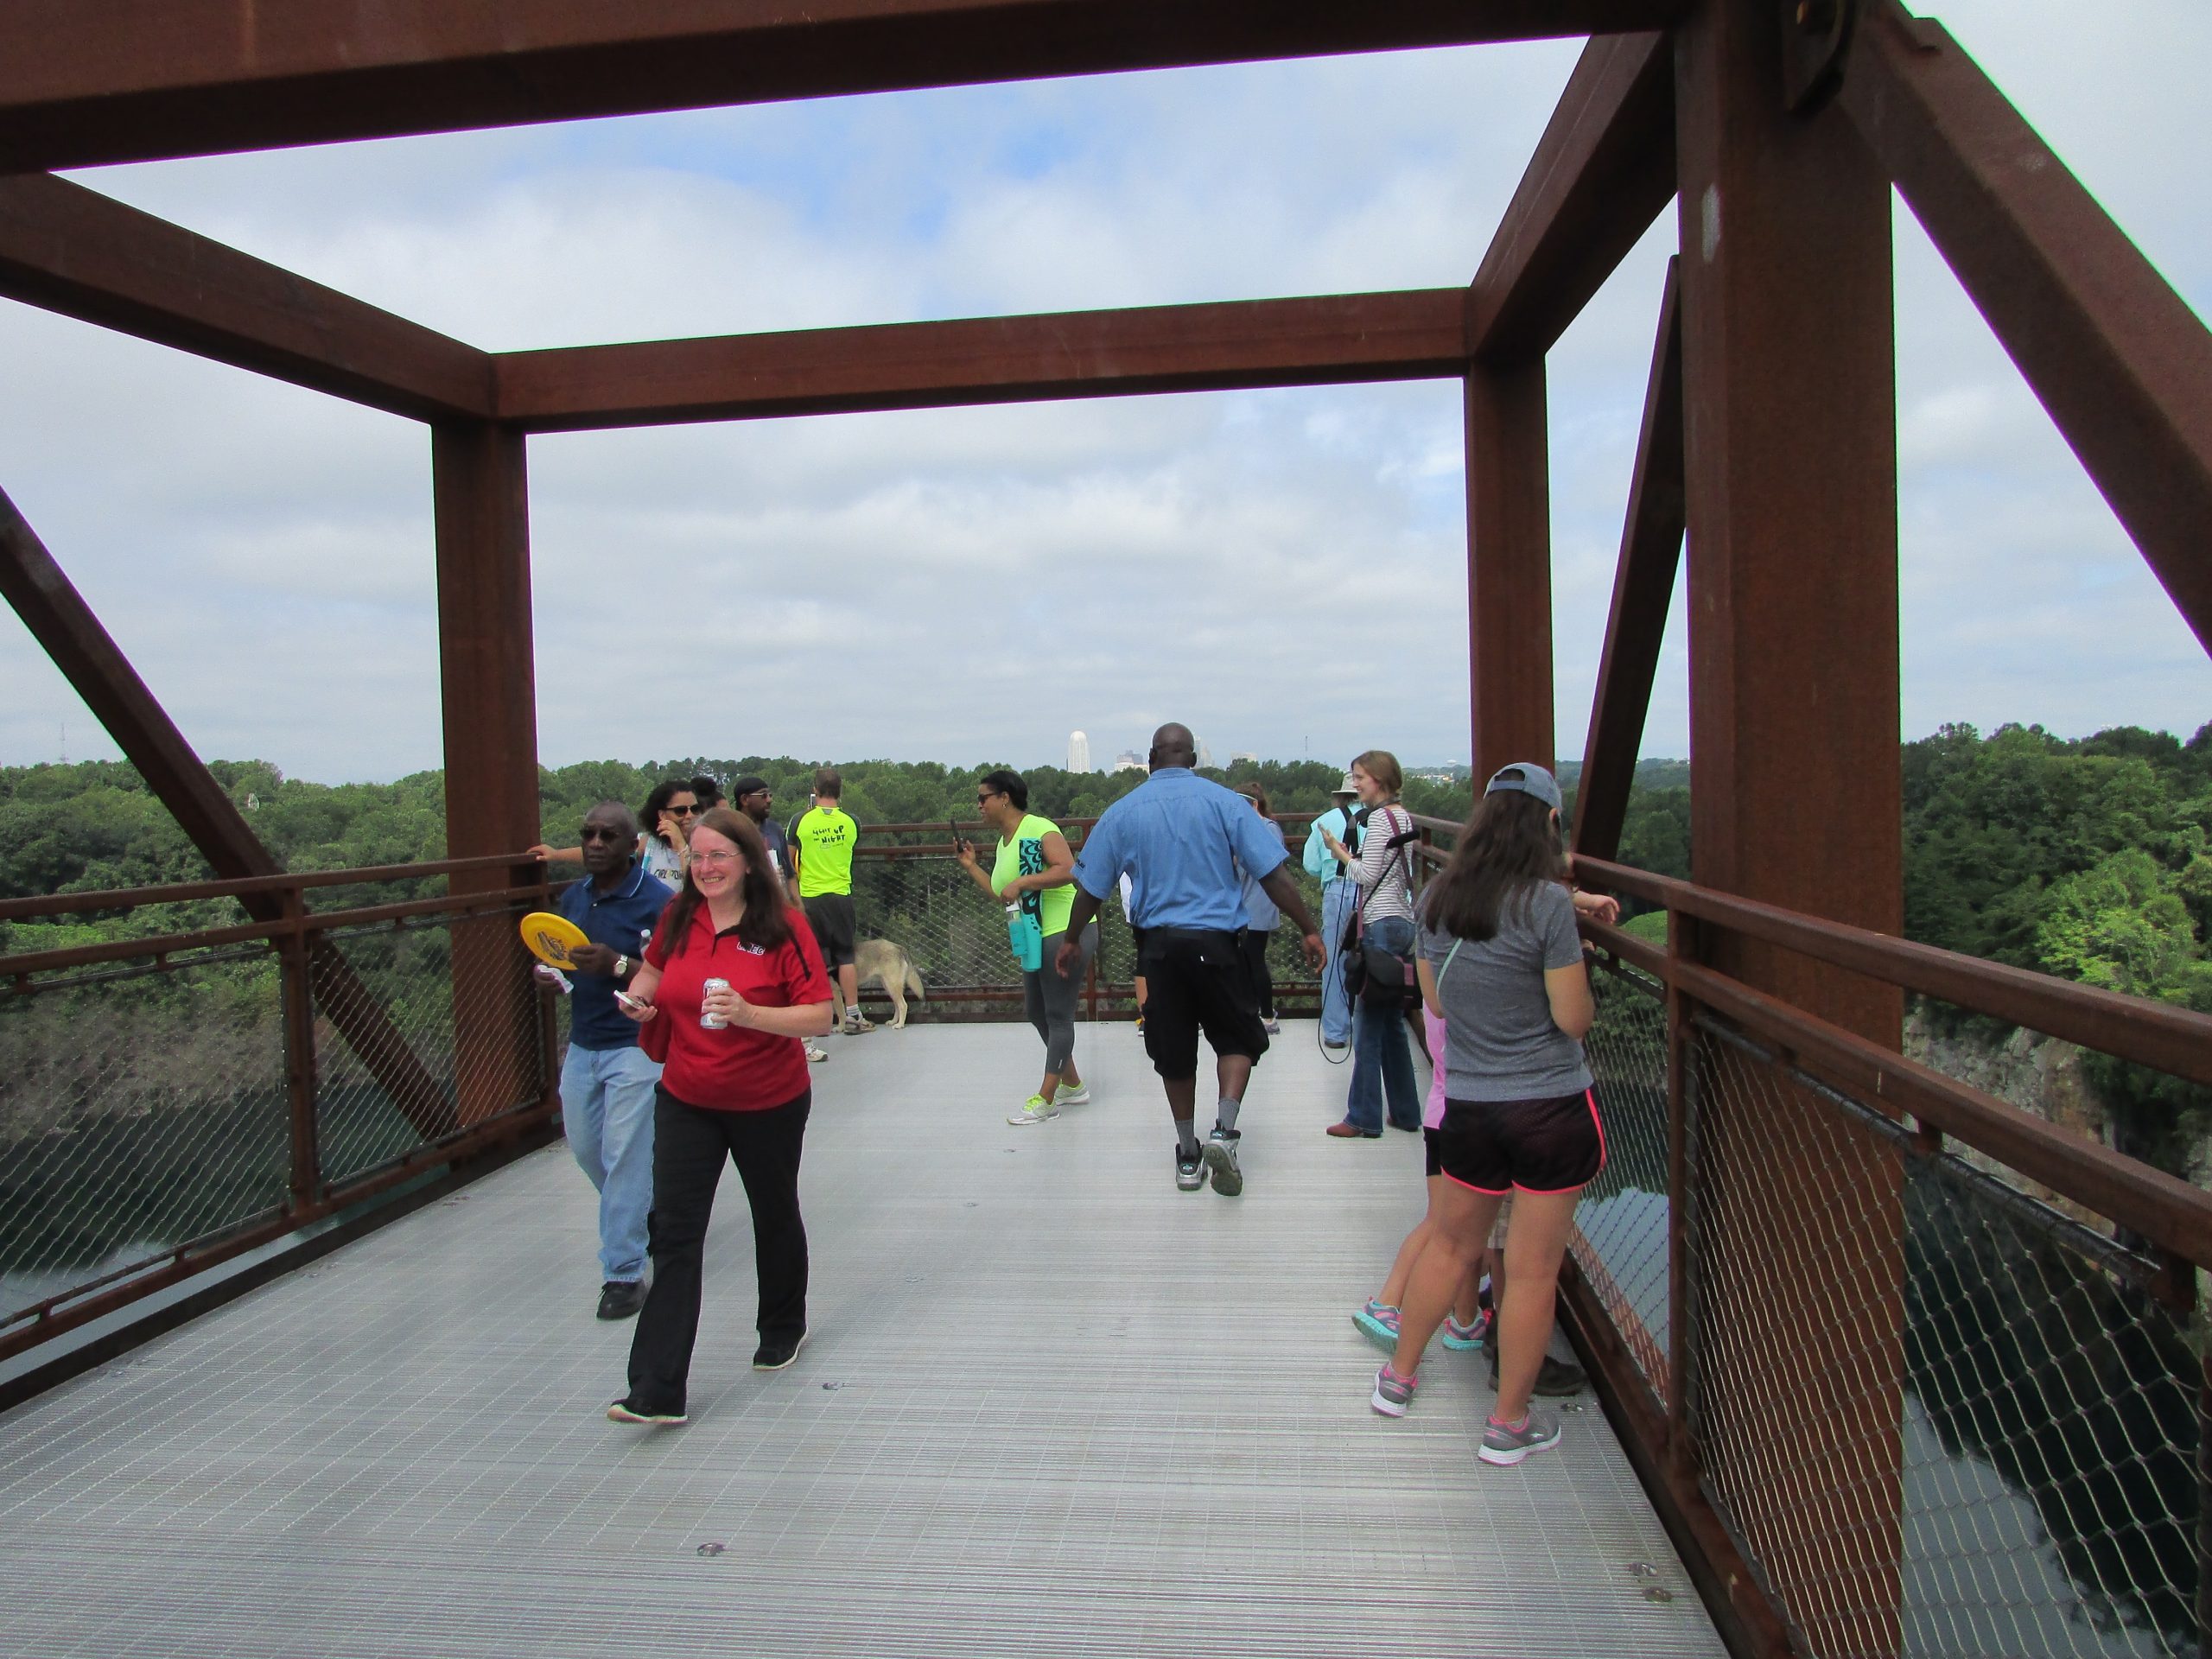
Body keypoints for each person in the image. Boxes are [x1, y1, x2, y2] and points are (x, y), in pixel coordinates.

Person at [1369, 761, 1614, 1468]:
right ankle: (1508, 1424)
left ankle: (1397, 1380)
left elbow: (1437, 1004)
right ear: (1547, 824)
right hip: (1548, 1109)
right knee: (1532, 1273)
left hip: (1471, 1107)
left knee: (1451, 1247)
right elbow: (1572, 1019)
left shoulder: (1438, 900)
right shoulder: (1545, 905)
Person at [607, 807, 836, 1426]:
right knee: (675, 1234)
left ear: (748, 862)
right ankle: (655, 1391)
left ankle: (782, 1325)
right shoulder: (679, 916)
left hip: (768, 1100)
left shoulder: (784, 926)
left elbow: (820, 1015)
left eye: (719, 856)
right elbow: (654, 970)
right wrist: (641, 1000)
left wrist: (749, 1014)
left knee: (773, 1211)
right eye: (698, 857)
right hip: (687, 1096)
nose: (705, 868)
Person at [1057, 723, 1324, 1196]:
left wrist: (1072, 939)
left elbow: (1091, 888)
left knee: (1173, 1050)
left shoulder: (1122, 812)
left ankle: (1187, 1153)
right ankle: (1224, 1130)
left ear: (1151, 759)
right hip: (1219, 945)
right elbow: (1273, 875)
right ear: (1194, 760)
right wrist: (1308, 928)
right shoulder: (1226, 804)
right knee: (1237, 1037)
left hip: (1160, 951)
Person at [543, 802, 675, 1321]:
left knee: (624, 1155)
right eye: (588, 834)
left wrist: (618, 964)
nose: (596, 844)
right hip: (584, 1042)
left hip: (635, 1044)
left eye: (608, 836)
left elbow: (674, 976)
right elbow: (562, 957)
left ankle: (623, 1274)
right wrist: (550, 972)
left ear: (631, 844)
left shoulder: (658, 902)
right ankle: (647, 1213)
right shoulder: (573, 897)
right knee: (586, 1149)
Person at [956, 768, 1098, 1126]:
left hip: (1067, 929)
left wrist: (1023, 882)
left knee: (1058, 1014)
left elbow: (1069, 870)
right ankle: (1073, 1085)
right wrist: (972, 867)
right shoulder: (1004, 842)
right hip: (1035, 934)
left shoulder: (1038, 828)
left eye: (983, 798)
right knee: (1036, 1010)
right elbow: (1001, 893)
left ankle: (1046, 1099)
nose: (979, 805)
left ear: (1005, 798)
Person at [1352, 999, 1488, 1355]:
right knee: (1447, 1224)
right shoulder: (1471, 986)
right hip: (1468, 1113)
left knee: (1459, 1224)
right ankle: (1388, 1301)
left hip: (1439, 1111)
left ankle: (1465, 1318)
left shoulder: (1437, 979)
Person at [1320, 751, 1421, 1138]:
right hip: (1402, 922)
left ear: (1378, 779)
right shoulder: (1403, 816)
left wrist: (1339, 852)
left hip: (1380, 923)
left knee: (1366, 1024)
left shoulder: (1379, 820)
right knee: (1392, 1022)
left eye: (1360, 777)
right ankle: (1406, 1111)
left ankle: (1363, 1116)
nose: (1356, 784)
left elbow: (1366, 875)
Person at [733, 773, 823, 1062]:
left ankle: (803, 1042)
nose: (769, 800)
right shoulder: (731, 829)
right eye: (763, 795)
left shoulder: (774, 829)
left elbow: (789, 870)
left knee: (790, 976)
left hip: (777, 910)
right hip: (744, 914)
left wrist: (797, 905)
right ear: (744, 800)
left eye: (770, 794)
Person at [791, 769, 871, 1036]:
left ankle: (816, 1016)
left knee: (814, 957)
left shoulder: (800, 820)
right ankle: (853, 1014)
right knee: (845, 956)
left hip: (810, 897)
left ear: (815, 789)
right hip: (840, 894)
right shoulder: (852, 821)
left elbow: (789, 858)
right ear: (840, 791)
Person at [529, 778, 700, 885]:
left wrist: (681, 846)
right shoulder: (649, 845)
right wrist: (555, 855)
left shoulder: (704, 845)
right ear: (662, 815)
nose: (690, 815)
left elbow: (696, 886)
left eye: (695, 809)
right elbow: (604, 851)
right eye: (681, 811)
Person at [1301, 773, 1362, 1052]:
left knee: (1335, 959)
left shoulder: (1323, 822)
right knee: (1372, 959)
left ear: (1341, 796)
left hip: (1337, 889)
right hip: (1371, 890)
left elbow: (1311, 865)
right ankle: (1367, 1027)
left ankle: (1336, 1032)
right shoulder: (1380, 819)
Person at [1234, 783, 1286, 1035]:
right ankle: (1253, 1011)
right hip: (1245, 902)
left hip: (1259, 902)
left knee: (1254, 959)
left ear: (1255, 804)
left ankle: (1266, 1015)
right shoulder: (1247, 829)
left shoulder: (1268, 828)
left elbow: (1266, 864)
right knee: (1245, 960)